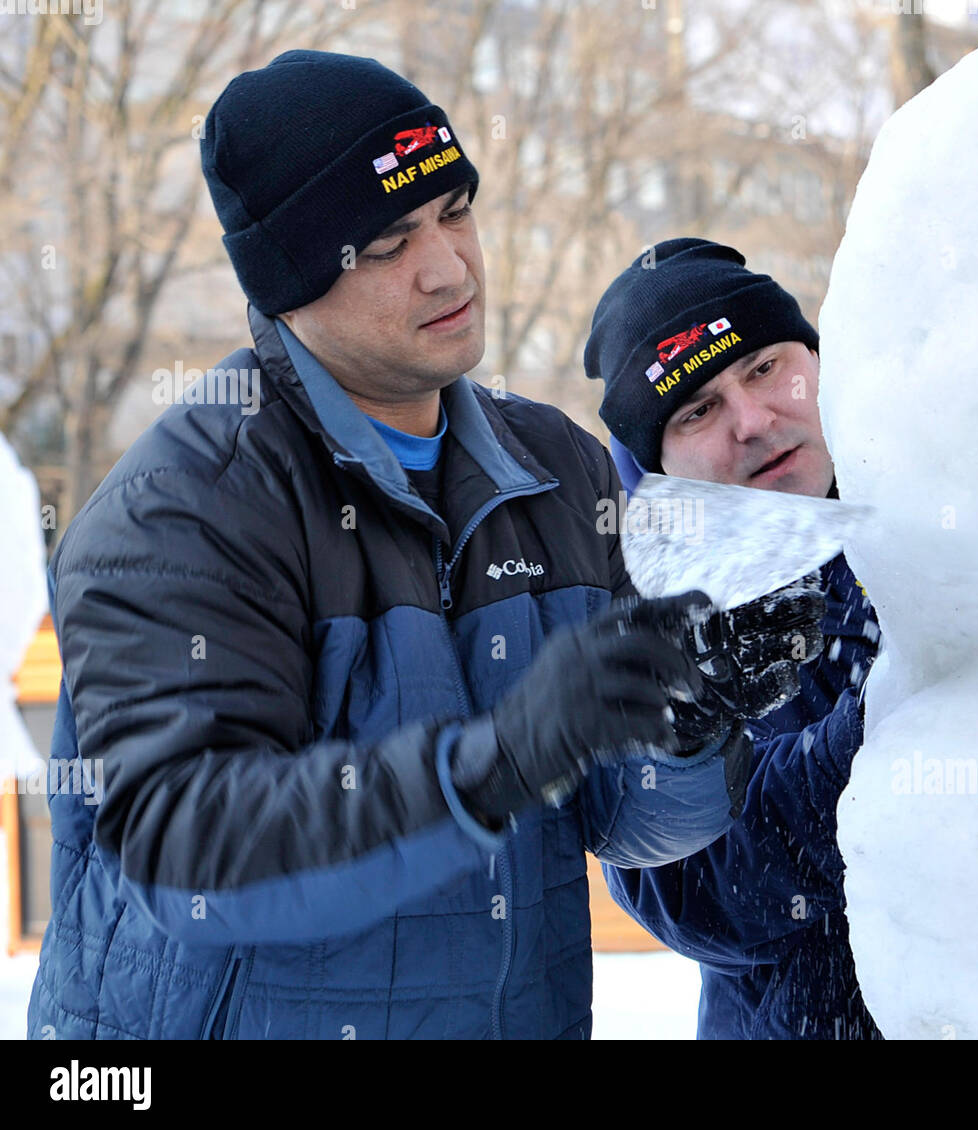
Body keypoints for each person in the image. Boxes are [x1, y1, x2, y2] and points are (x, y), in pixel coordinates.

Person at [26, 55, 823, 1041]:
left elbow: (634, 824)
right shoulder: (184, 507)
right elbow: (188, 852)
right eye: (389, 242)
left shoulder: (558, 469)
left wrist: (687, 721)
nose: (448, 265)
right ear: (292, 277)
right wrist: (497, 760)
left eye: (454, 212)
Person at [584, 238, 884, 1040]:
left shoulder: (952, 502)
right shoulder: (651, 626)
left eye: (763, 368)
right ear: (662, 467)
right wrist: (875, 744)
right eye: (698, 410)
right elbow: (690, 889)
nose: (754, 420)